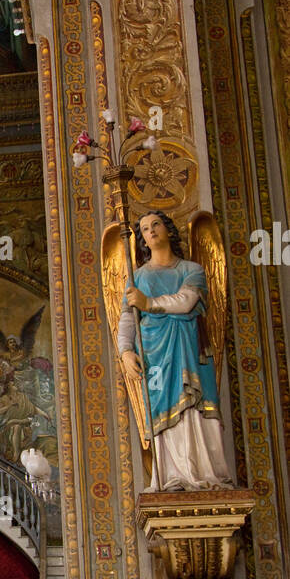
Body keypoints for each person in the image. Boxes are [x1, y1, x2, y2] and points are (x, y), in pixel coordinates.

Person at [118, 210, 233, 491]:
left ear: (168, 230)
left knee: (196, 405)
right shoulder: (137, 278)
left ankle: (205, 473)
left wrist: (149, 303)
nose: (151, 231)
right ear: (143, 240)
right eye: (145, 229)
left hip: (190, 349)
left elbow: (186, 301)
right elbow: (127, 318)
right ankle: (169, 475)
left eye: (156, 224)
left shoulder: (192, 270)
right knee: (161, 407)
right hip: (154, 353)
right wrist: (125, 352)